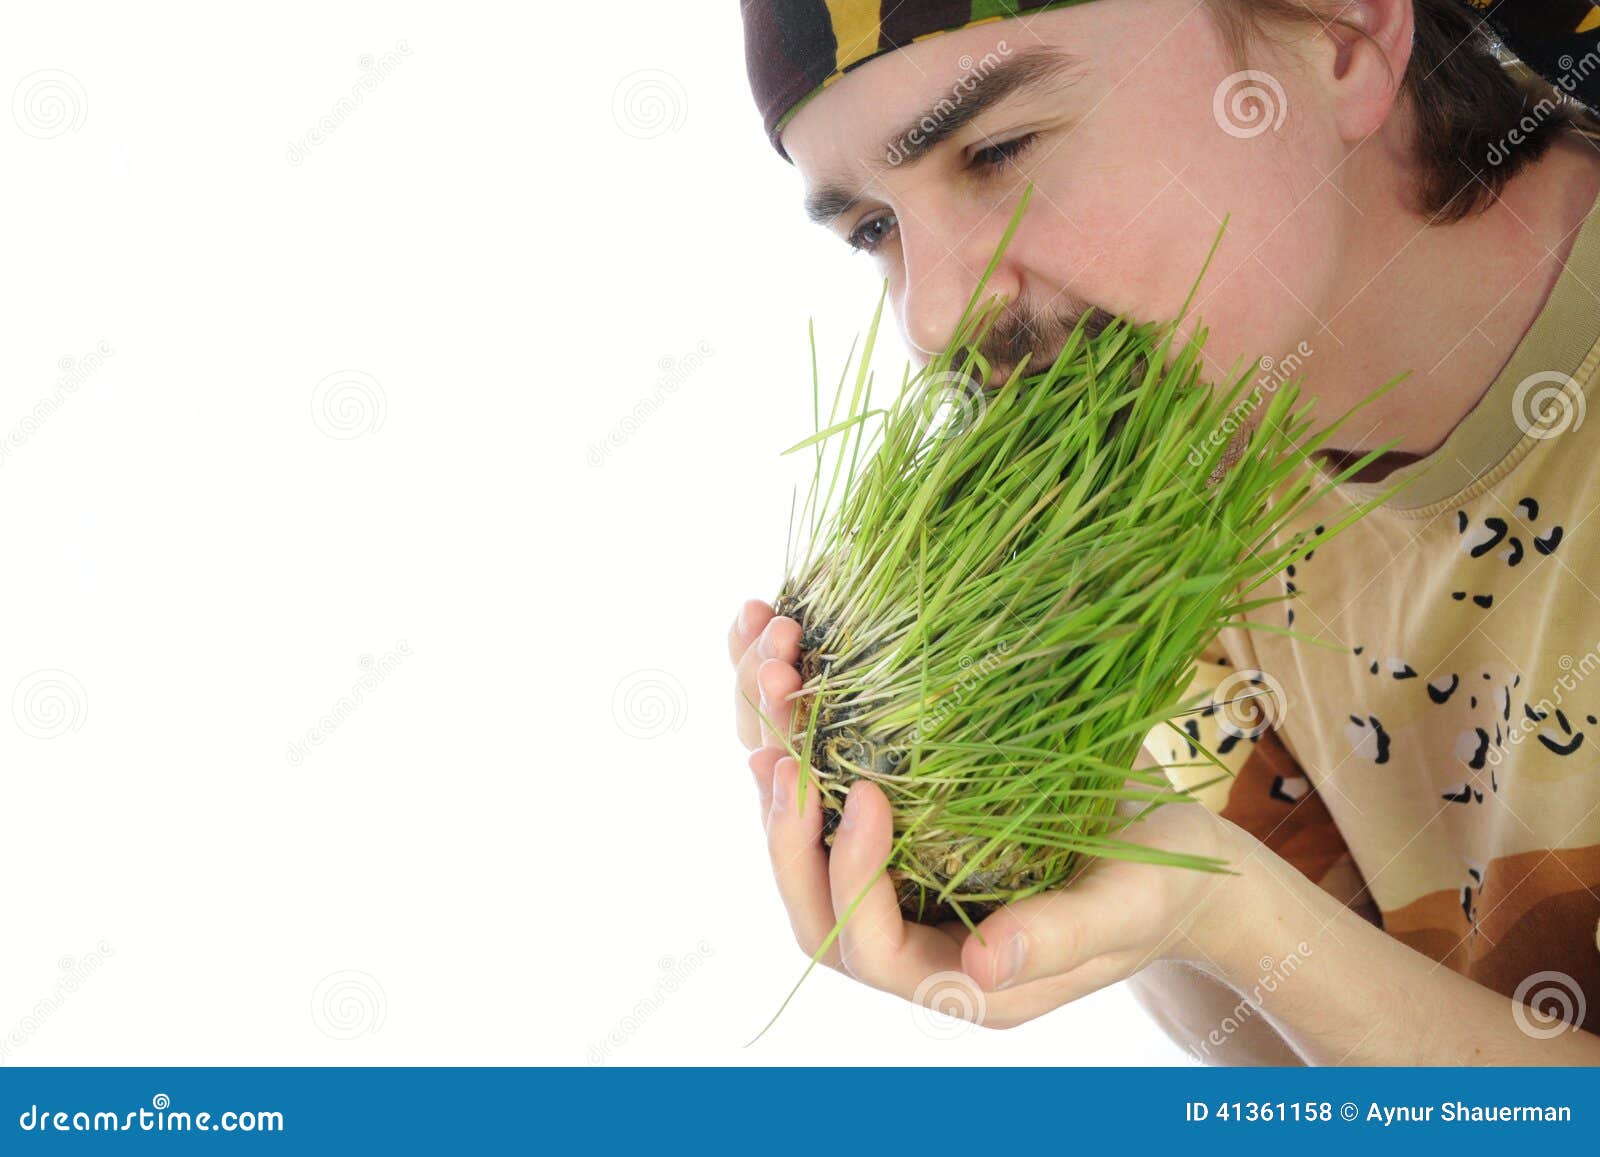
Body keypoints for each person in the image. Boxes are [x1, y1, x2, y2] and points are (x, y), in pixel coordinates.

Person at [730, 0, 1600, 1063]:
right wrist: (1119, 879)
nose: (934, 316)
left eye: (997, 150)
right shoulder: (1155, 553)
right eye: (874, 227)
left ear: (1341, 38)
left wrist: (1228, 910)